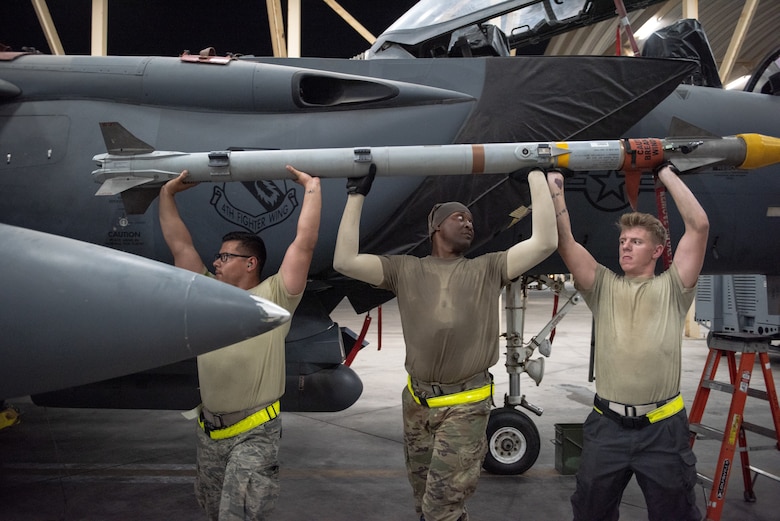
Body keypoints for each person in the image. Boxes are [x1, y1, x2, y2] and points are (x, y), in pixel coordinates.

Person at [333, 168, 557, 521]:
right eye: (459, 217)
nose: (469, 223)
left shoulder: (489, 267)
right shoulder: (405, 270)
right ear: (436, 227)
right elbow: (344, 261)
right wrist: (355, 196)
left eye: (471, 219)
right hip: (418, 404)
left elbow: (545, 243)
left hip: (464, 407)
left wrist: (535, 177)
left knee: (441, 506)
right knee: (425, 500)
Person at [546, 162, 709, 521]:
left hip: (663, 430)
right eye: (623, 241)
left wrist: (662, 169)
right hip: (607, 428)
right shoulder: (603, 286)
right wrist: (554, 187)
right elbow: (565, 242)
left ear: (656, 252)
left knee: (676, 516)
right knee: (590, 514)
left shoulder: (673, 288)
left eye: (636, 242)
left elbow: (698, 226)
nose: (626, 247)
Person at [158, 165, 321, 520]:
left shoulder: (275, 295)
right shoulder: (205, 293)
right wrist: (167, 195)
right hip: (210, 433)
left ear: (251, 263)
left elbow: (304, 243)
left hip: (255, 433)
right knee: (214, 512)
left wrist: (311, 187)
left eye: (224, 256)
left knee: (241, 514)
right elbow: (179, 244)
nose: (216, 261)